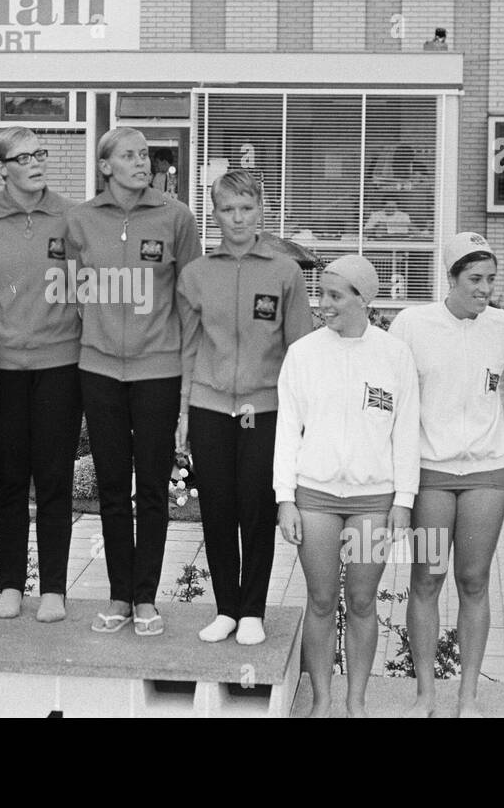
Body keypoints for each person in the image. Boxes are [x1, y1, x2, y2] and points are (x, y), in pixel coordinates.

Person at [66, 126, 201, 636]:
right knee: (110, 490)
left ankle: (146, 598)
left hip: (158, 371)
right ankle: (118, 595)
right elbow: (66, 290)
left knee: (151, 488)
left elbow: (190, 302)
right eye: (129, 155)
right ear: (106, 166)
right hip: (98, 369)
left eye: (146, 154)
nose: (142, 162)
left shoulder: (176, 217)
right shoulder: (80, 220)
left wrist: (188, 386)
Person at [274, 255, 419, 717]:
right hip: (314, 495)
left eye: (335, 296)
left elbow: (406, 430)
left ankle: (356, 703)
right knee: (319, 600)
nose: (323, 304)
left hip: (372, 499)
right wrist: (285, 499)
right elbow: (287, 429)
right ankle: (321, 700)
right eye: (322, 293)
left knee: (361, 601)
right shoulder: (304, 353)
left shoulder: (393, 355)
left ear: (364, 299)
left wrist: (404, 500)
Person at [388, 232, 504, 717]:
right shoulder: (412, 324)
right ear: (450, 278)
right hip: (430, 473)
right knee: (427, 579)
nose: (485, 289)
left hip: (487, 471)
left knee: (474, 579)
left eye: (491, 279)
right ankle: (426, 694)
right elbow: (397, 401)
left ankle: (468, 697)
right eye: (474, 280)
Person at [177, 169, 312, 646]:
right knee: (216, 508)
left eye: (246, 208)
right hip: (210, 405)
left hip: (266, 407)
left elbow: (300, 351)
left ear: (262, 211)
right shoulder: (196, 274)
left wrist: (302, 422)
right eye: (227, 209)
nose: (237, 218)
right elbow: (188, 347)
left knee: (256, 508)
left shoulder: (284, 272)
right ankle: (225, 609)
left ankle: (252, 609)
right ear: (214, 214)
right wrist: (184, 413)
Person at [0, 127, 81, 623]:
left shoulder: (72, 216)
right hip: (3, 372)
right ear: (2, 167)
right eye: (24, 156)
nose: (37, 162)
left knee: (54, 480)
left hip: (60, 366)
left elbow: (91, 287)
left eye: (41, 153)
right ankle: (11, 585)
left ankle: (53, 587)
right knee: (9, 481)